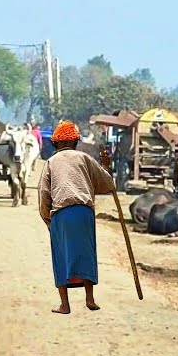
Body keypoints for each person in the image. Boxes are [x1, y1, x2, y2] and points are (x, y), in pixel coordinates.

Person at [37, 120, 118, 314]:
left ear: (55, 143)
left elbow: (43, 194)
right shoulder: (84, 158)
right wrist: (107, 167)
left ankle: (65, 305)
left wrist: (47, 219)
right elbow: (107, 184)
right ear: (75, 142)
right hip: (84, 212)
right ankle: (89, 298)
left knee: (61, 256)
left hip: (61, 214)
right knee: (86, 254)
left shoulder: (51, 162)